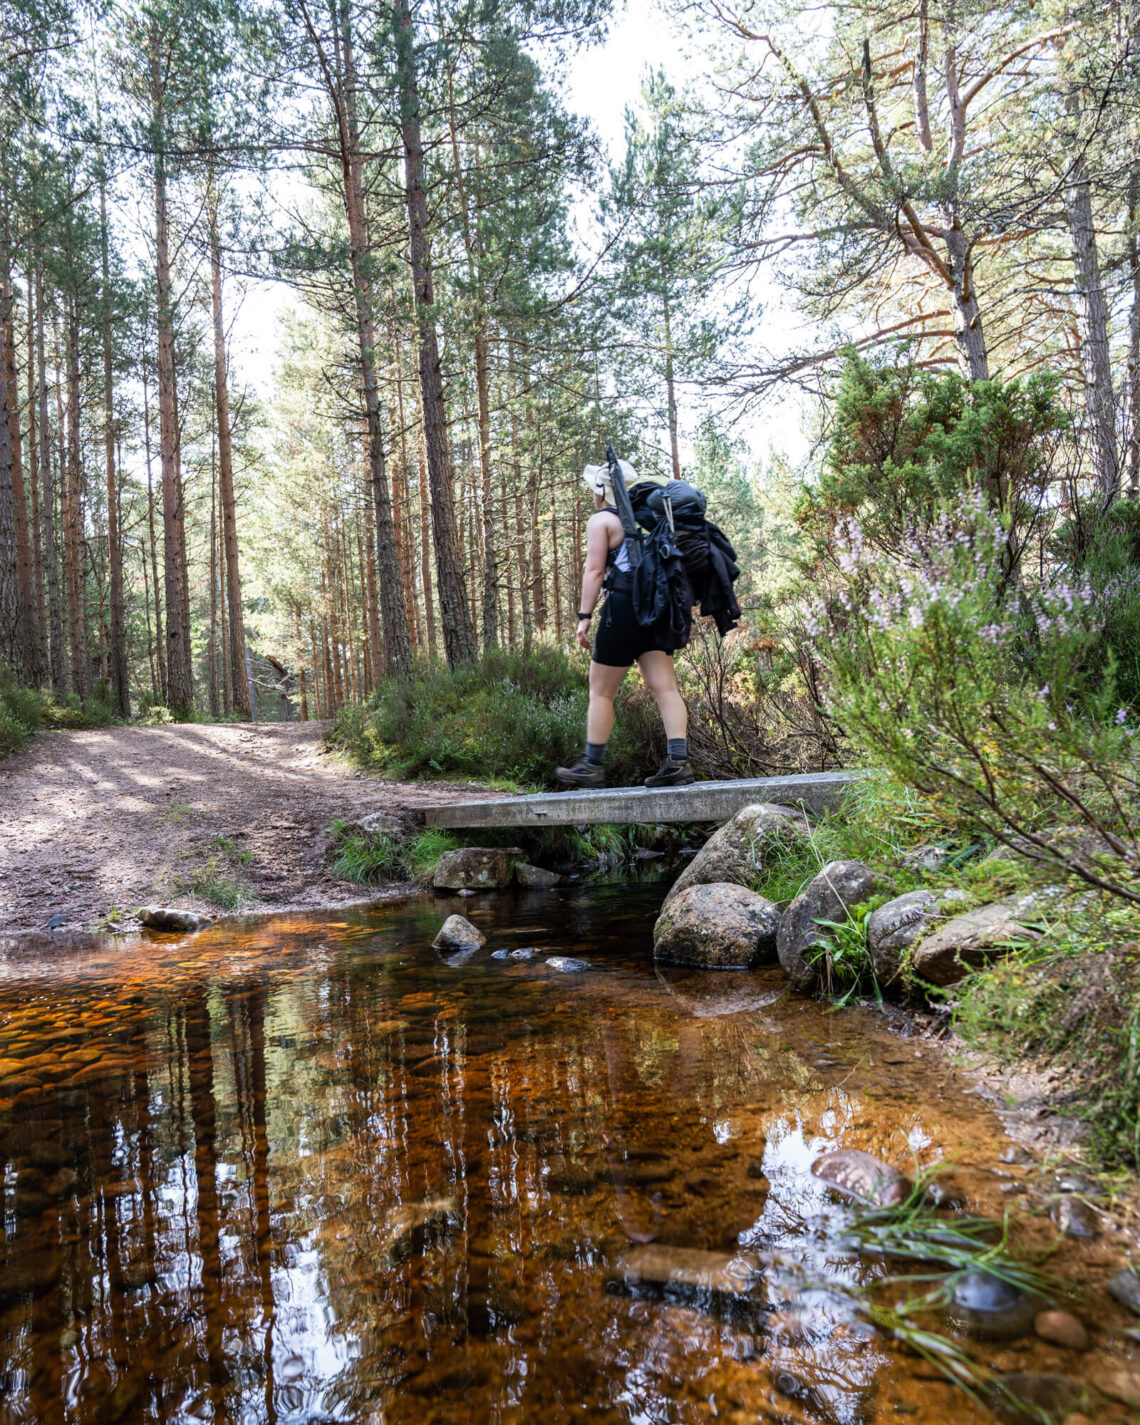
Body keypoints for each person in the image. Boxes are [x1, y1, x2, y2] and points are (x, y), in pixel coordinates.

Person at [555, 460, 694, 789]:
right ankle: (679, 763)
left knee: (601, 691)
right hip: (656, 609)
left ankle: (592, 765)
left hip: (623, 607)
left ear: (602, 490)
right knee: (666, 687)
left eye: (593, 487)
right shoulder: (654, 520)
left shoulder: (602, 520)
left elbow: (593, 571)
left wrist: (584, 617)